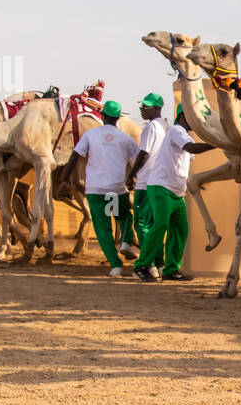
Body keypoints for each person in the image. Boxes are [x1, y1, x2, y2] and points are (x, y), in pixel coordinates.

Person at [128, 106, 214, 282]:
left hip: (176, 191)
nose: (197, 122)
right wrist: (215, 143)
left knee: (180, 230)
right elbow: (191, 148)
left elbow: (180, 163)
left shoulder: (183, 134)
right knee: (160, 225)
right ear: (184, 115)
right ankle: (141, 266)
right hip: (161, 187)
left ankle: (171, 269)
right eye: (194, 117)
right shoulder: (176, 130)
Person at [60, 100, 140, 277]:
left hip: (96, 190)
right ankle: (126, 241)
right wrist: (133, 177)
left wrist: (65, 179)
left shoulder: (91, 135)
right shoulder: (125, 139)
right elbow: (138, 161)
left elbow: (75, 156)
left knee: (103, 228)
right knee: (123, 216)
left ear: (103, 116)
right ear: (118, 118)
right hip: (116, 189)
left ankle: (115, 265)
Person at [131, 93, 169, 265]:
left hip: (146, 182)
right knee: (155, 226)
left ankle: (148, 264)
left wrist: (131, 174)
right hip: (162, 183)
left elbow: (143, 154)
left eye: (146, 107)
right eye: (142, 106)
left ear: (158, 108)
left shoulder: (151, 127)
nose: (142, 110)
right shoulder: (167, 127)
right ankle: (159, 263)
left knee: (141, 224)